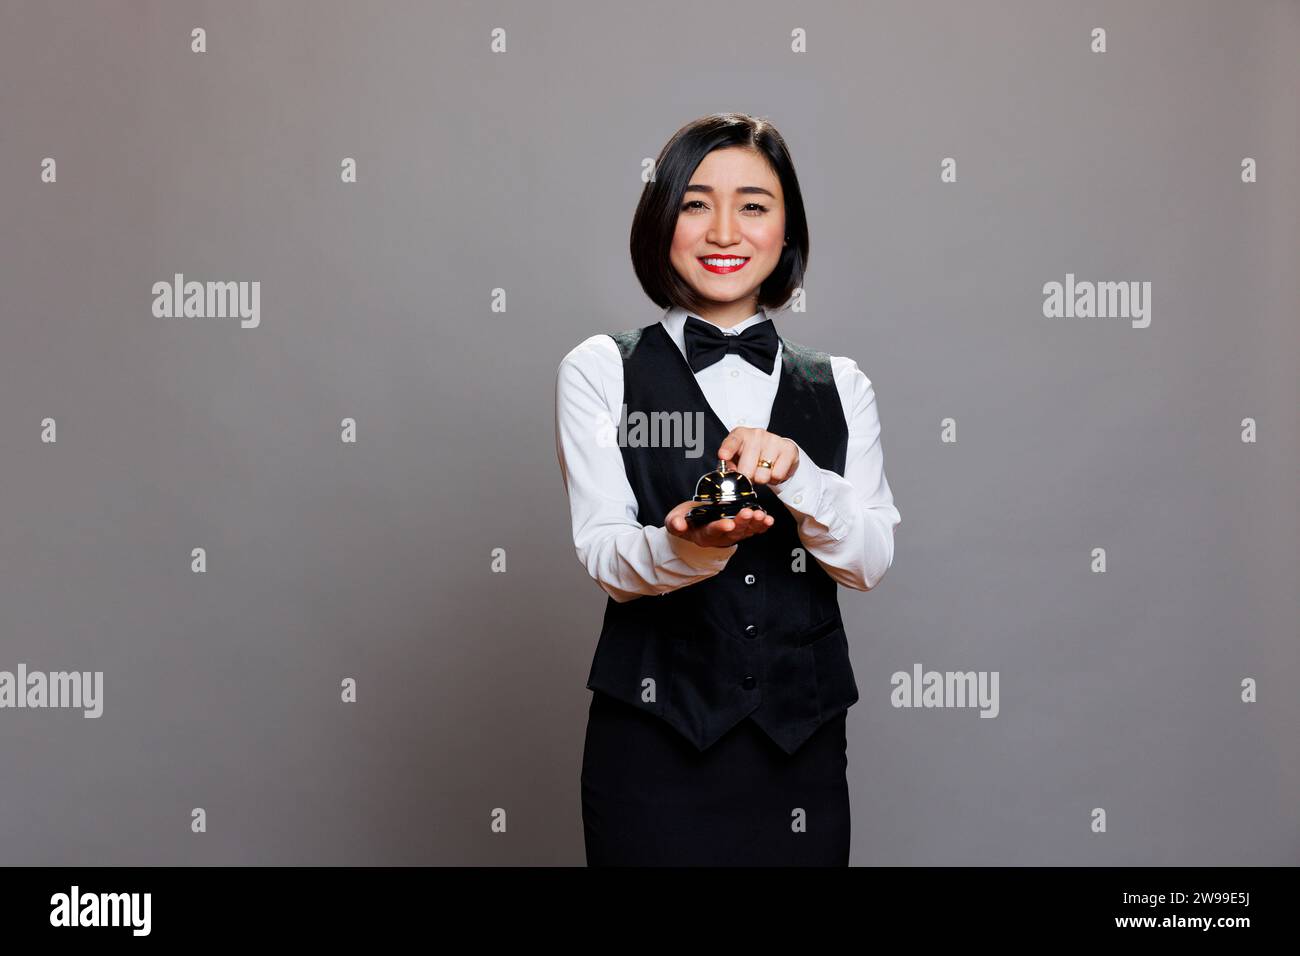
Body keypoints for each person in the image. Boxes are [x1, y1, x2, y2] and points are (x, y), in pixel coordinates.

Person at [554, 112, 901, 866]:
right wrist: (688, 546)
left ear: (786, 229)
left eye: (753, 205)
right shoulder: (600, 367)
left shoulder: (840, 383)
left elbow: (868, 560)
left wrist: (802, 476)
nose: (723, 231)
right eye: (695, 203)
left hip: (798, 752)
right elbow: (605, 552)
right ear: (661, 220)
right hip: (649, 745)